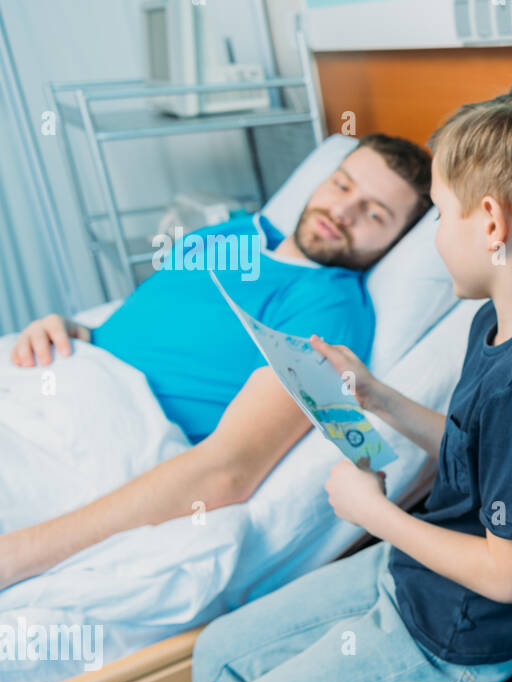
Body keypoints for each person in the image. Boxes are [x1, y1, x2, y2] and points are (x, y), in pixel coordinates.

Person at [160, 85, 512, 682]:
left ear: (490, 221)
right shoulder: (501, 322)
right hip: (416, 580)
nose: (434, 238)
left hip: (452, 637)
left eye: (440, 213)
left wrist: (375, 511)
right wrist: (376, 395)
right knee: (219, 653)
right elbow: (474, 449)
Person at [0, 134, 432, 590]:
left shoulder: (327, 315)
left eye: (374, 214)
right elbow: (150, 329)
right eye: (342, 186)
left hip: (101, 435)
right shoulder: (232, 233)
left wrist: (17, 555)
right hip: (53, 383)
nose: (343, 212)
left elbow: (230, 469)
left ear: (395, 241)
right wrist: (71, 330)